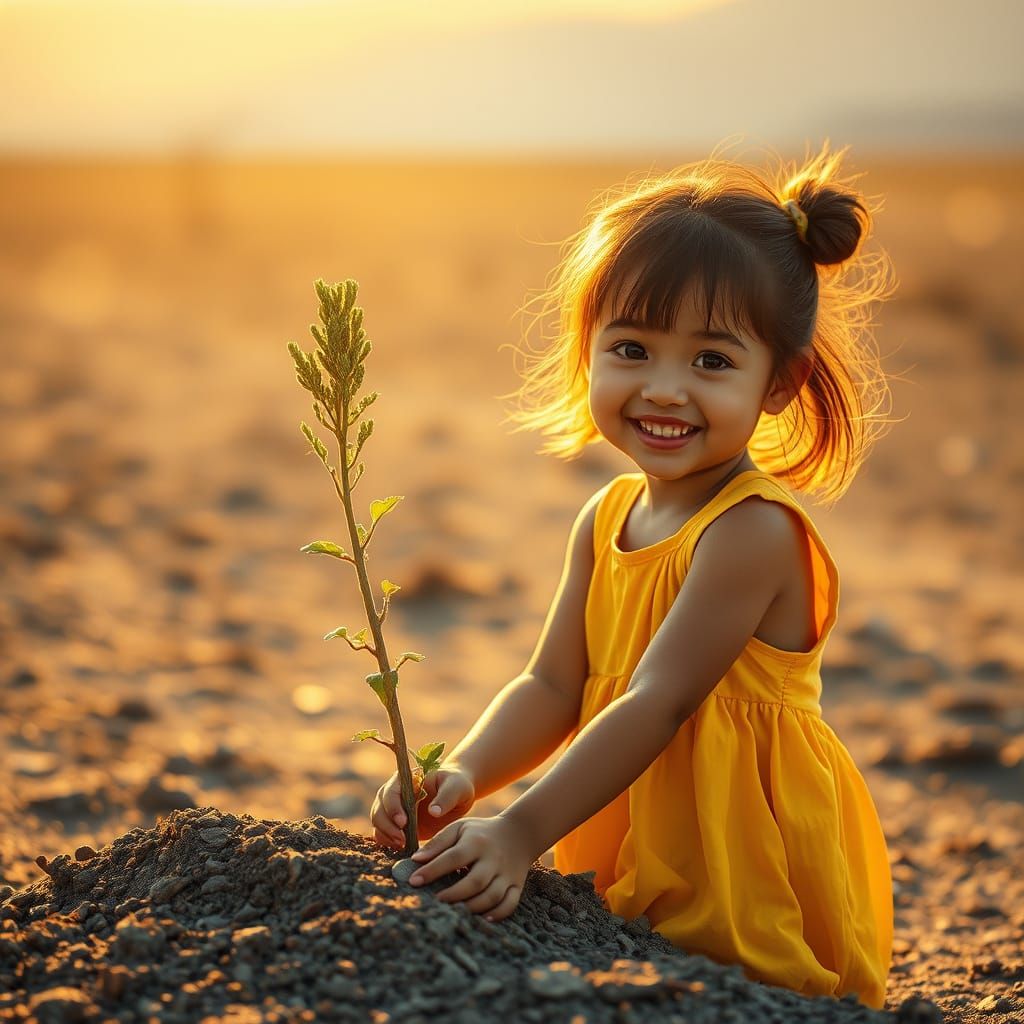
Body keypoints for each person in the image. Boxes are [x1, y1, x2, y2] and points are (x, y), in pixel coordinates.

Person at [370, 141, 897, 1009]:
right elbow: (551, 684)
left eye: (713, 361)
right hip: (632, 840)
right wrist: (465, 779)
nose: (663, 389)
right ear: (587, 352)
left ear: (780, 383)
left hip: (739, 864)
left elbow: (658, 702)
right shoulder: (606, 515)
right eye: (631, 348)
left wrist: (523, 831)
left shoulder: (752, 531)